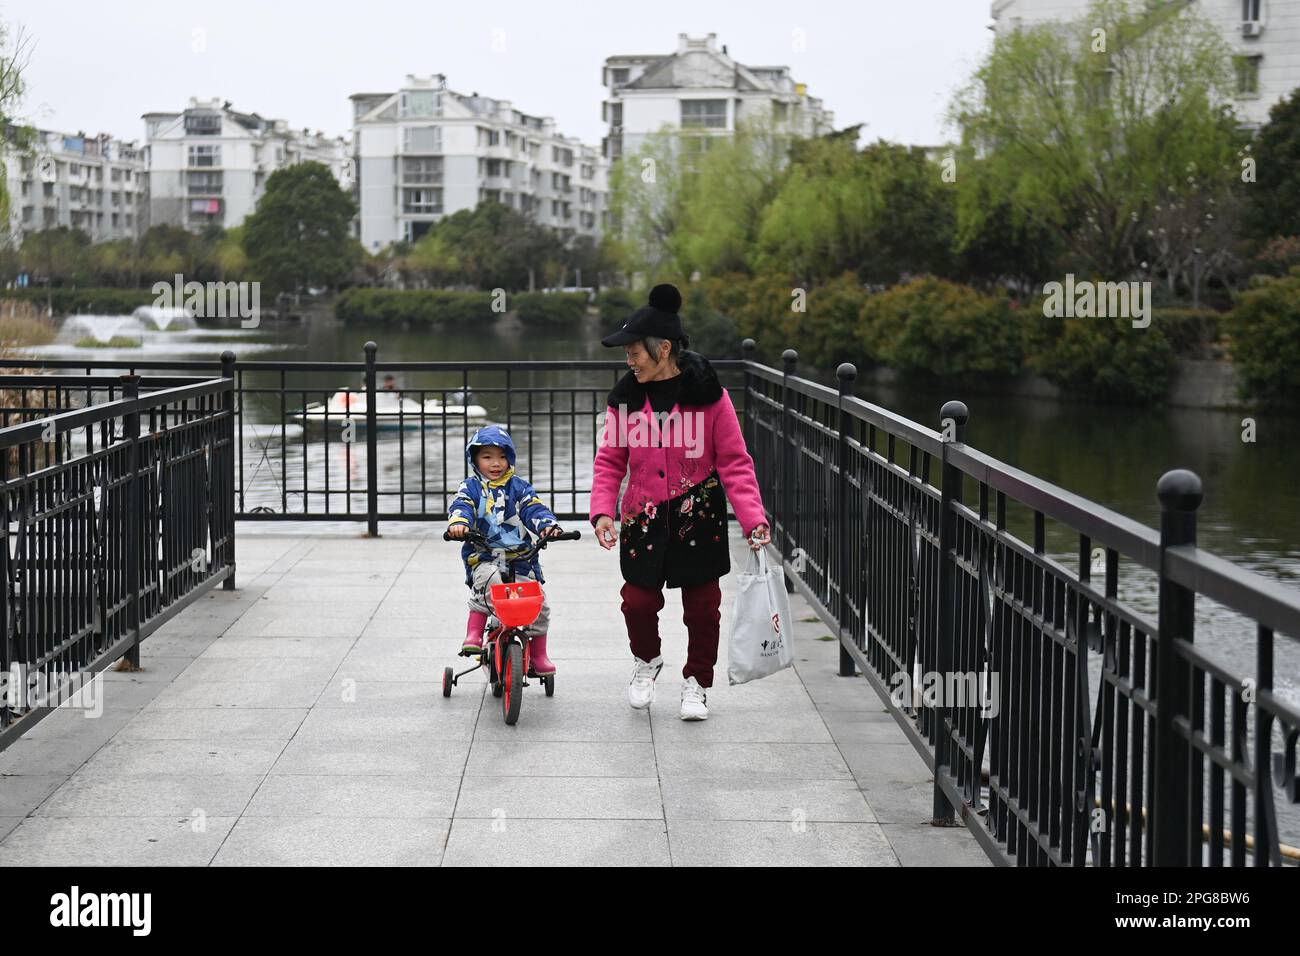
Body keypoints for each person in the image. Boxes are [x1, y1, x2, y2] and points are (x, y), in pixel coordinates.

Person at [590, 283, 770, 721]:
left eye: (634, 352)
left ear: (663, 348)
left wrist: (753, 519)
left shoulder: (711, 397)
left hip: (698, 516)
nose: (628, 360)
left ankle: (697, 682)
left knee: (704, 608)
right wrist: (601, 511)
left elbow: (735, 463)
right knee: (637, 602)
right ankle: (646, 661)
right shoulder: (626, 401)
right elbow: (611, 460)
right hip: (644, 516)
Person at [448, 424, 564, 674]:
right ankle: (474, 634)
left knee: (538, 602)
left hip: (522, 556)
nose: (496, 463)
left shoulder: (519, 487)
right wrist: (459, 523)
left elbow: (534, 508)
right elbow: (462, 505)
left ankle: (539, 654)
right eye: (487, 457)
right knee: (488, 583)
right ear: (475, 459)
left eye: (502, 456)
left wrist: (547, 526)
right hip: (485, 554)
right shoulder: (471, 487)